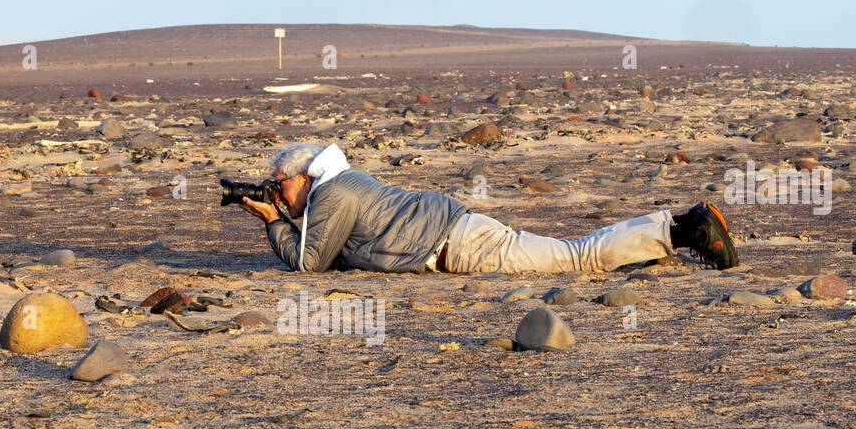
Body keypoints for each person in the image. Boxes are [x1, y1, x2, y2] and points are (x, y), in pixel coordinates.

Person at [241, 142, 738, 274]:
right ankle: (673, 229)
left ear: (303, 176)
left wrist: (271, 223)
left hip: (460, 244)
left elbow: (311, 262)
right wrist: (287, 217)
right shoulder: (342, 185)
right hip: (459, 231)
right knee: (573, 253)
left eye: (280, 186)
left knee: (578, 258)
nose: (279, 194)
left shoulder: (333, 193)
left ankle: (687, 230)